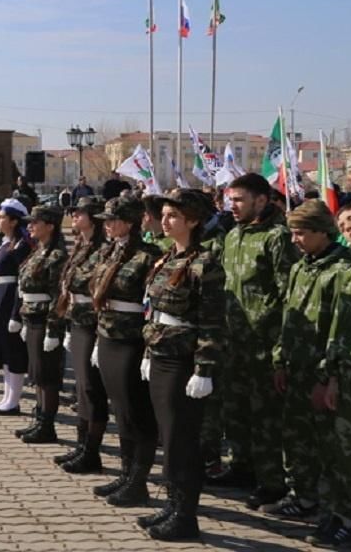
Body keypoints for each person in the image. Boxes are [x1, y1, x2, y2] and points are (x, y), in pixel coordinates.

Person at [136, 188, 224, 541]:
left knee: (182, 441)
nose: (166, 220)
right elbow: (153, 311)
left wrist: (204, 369)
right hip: (160, 355)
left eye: (173, 215)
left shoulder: (206, 263)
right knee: (168, 439)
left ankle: (186, 517)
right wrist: (146, 354)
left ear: (193, 220)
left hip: (184, 362)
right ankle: (172, 506)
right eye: (165, 214)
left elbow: (212, 321)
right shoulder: (166, 258)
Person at [207, 172, 298, 509]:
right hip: (234, 343)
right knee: (235, 411)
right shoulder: (233, 236)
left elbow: (289, 296)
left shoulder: (277, 238)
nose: (232, 206)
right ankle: (241, 468)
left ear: (261, 200)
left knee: (266, 418)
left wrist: (279, 350)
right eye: (230, 200)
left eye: (239, 200)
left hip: (264, 345)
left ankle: (271, 482)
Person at [270, 200, 351, 530]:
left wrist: (327, 376)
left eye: (301, 233)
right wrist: (280, 359)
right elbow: (289, 317)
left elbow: (339, 330)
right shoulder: (301, 267)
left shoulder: (344, 271)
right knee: (295, 438)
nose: (294, 240)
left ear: (323, 232)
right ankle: (302, 497)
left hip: (324, 371)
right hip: (296, 367)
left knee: (332, 448)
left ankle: (340, 515)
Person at [91, 195, 162, 507]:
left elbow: (151, 305)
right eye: (105, 220)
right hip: (108, 334)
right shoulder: (109, 250)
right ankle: (125, 473)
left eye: (112, 219)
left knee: (137, 412)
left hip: (132, 339)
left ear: (130, 223)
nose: (106, 225)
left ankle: (139, 481)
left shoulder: (149, 256)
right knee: (120, 410)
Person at [55, 196, 110, 474]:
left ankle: (92, 451)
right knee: (81, 387)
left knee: (91, 387)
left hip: (92, 323)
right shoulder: (81, 245)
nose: (74, 216)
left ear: (94, 218)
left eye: (80, 213)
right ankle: (81, 446)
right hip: (77, 320)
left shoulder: (103, 249)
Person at [316, 223, 351, 547]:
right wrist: (332, 375)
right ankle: (345, 518)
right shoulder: (350, 270)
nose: (350, 229)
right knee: (345, 453)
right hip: (346, 376)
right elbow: (339, 329)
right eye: (344, 225)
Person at [16, 205, 68, 443]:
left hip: (45, 319)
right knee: (37, 373)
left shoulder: (56, 255)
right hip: (32, 316)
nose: (30, 226)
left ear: (50, 226)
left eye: (35, 222)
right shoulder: (39, 250)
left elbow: (58, 295)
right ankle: (39, 419)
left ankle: (47, 425)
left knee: (47, 376)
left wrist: (53, 329)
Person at [0, 198, 32, 414]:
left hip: (10, 298)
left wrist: (16, 313)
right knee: (4, 349)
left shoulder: (22, 246)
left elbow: (22, 280)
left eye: (2, 218)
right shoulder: (4, 243)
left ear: (13, 221)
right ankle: (7, 397)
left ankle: (14, 401)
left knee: (14, 350)